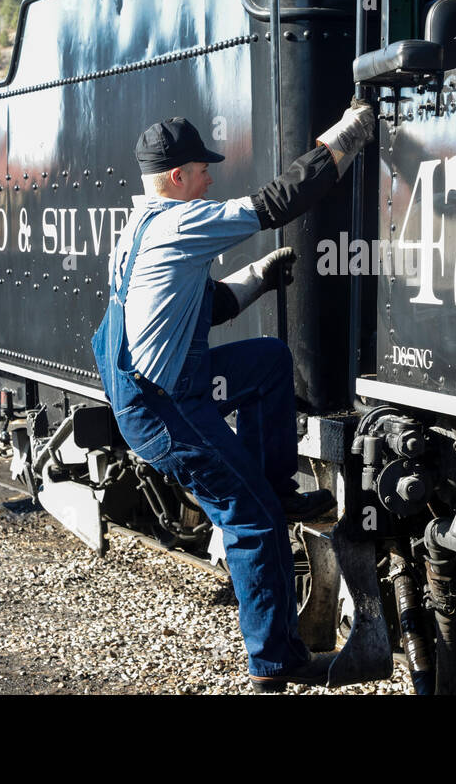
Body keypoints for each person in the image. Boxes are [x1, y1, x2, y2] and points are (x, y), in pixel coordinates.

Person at [91, 105, 376, 692]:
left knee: (268, 360)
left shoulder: (139, 225)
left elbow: (208, 307)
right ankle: (276, 665)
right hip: (163, 405)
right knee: (250, 519)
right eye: (201, 171)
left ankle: (275, 485)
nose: (209, 180)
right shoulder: (180, 221)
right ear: (176, 178)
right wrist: (346, 138)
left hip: (155, 385)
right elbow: (277, 203)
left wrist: (259, 277)